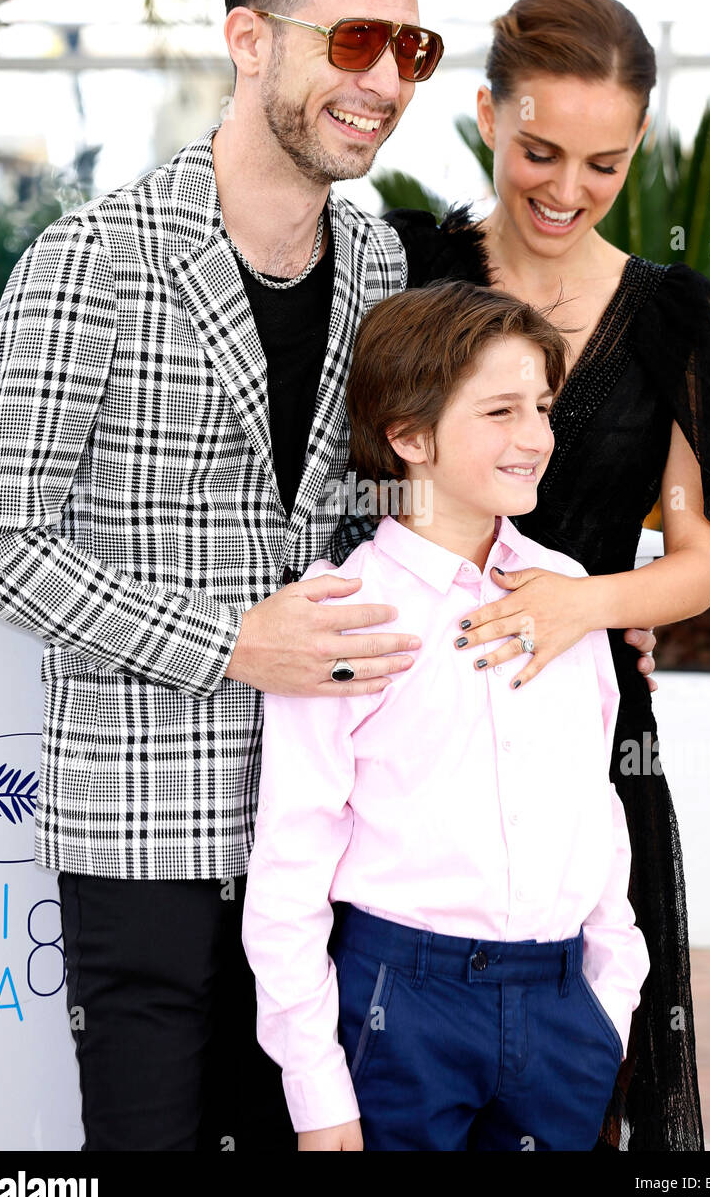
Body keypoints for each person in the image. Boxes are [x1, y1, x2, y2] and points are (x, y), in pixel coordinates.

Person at [0, 0, 447, 1152]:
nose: (386, 81)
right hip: (144, 821)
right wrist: (233, 640)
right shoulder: (93, 260)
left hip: (333, 823)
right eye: (354, 41)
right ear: (249, 40)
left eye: (412, 48)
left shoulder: (382, 259)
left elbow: (387, 495)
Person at [327, 0, 710, 1151]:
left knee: (585, 1103)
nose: (567, 190)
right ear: (485, 115)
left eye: (606, 164)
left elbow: (701, 553)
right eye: (540, 150)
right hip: (406, 742)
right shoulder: (399, 265)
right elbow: (338, 480)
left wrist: (593, 606)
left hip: (586, 742)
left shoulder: (680, 321)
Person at [242, 279, 651, 1151]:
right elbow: (291, 854)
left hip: (562, 1008)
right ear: (409, 436)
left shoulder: (570, 592)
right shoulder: (342, 610)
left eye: (542, 406)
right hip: (400, 1005)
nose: (536, 436)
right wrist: (318, 1094)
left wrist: (608, 1001)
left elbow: (596, 800)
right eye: (500, 411)